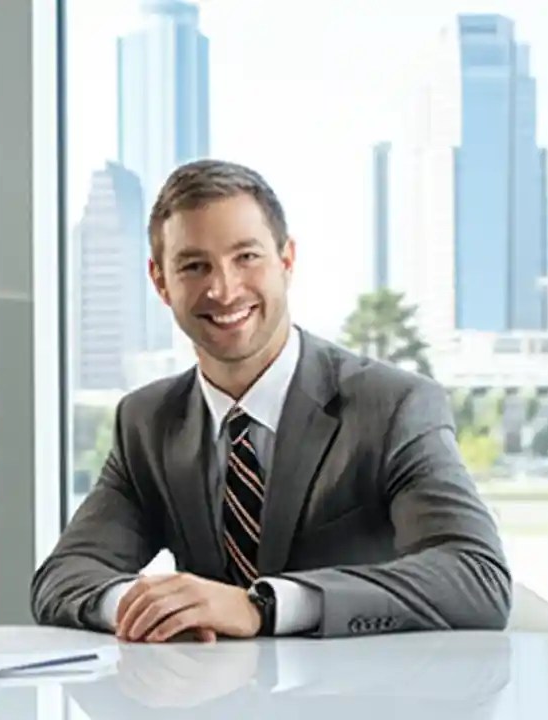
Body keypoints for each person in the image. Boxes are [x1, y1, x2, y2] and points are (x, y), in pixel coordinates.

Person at [31, 159, 510, 642]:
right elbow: (65, 576)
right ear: (160, 282)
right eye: (194, 266)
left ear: (286, 260)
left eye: (246, 257)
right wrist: (151, 609)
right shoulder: (148, 422)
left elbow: (476, 576)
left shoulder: (393, 406)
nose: (223, 289)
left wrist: (265, 605)